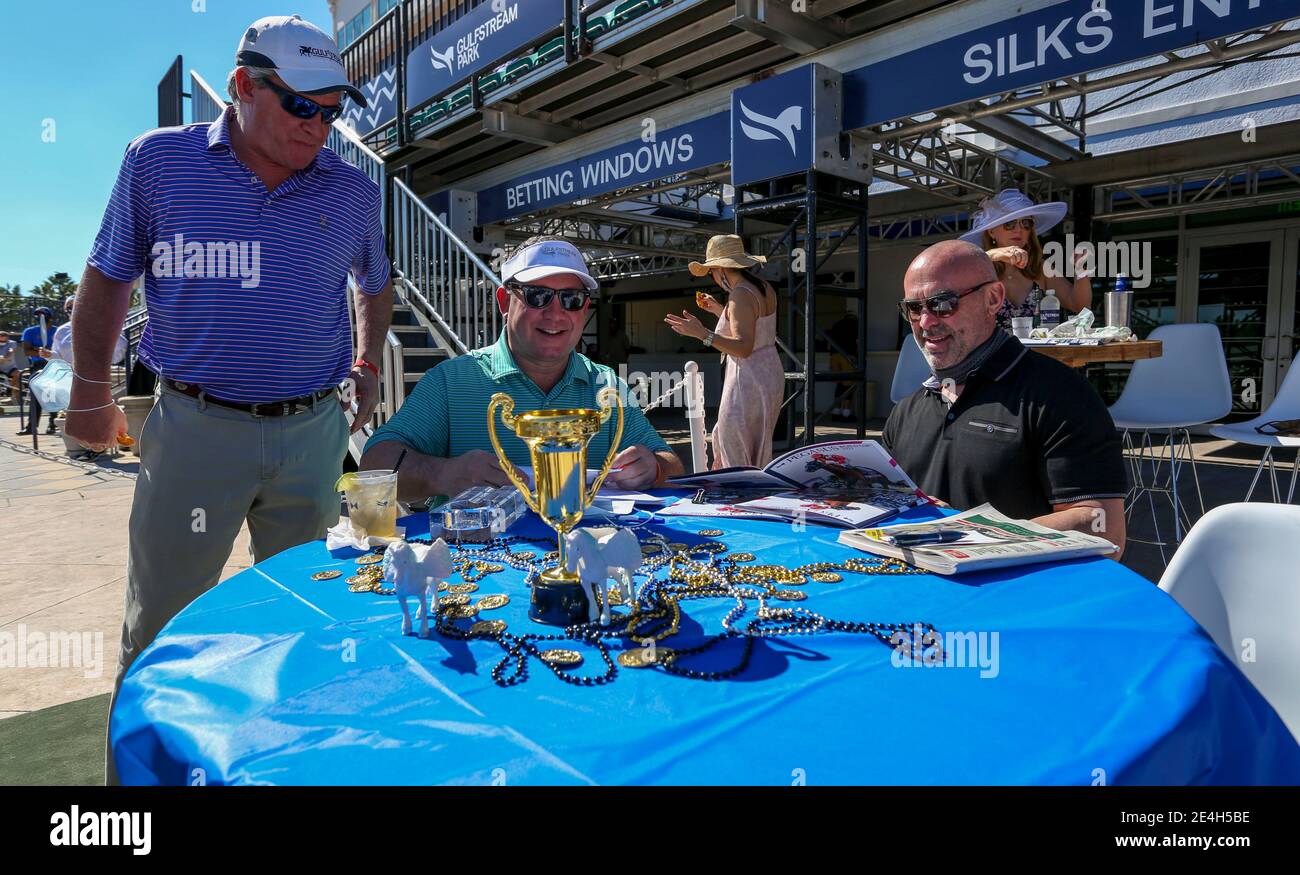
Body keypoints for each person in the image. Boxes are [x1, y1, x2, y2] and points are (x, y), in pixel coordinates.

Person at [63, 15, 393, 785]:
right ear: (243, 87)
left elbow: (375, 283)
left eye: (333, 109)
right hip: (193, 430)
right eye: (301, 106)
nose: (320, 126)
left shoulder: (353, 191)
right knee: (161, 632)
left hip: (312, 433)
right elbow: (109, 277)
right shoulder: (155, 163)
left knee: (303, 626)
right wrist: (86, 394)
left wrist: (367, 359)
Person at [360, 236, 682, 498]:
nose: (555, 314)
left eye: (571, 298)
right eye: (537, 296)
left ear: (584, 309)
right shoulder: (450, 382)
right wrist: (442, 474)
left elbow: (673, 466)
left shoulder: (607, 385)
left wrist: (652, 468)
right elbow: (374, 463)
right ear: (504, 302)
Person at [882, 240, 1127, 555]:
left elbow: (1104, 530)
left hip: (1021, 597)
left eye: (943, 303)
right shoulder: (908, 410)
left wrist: (962, 538)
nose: (926, 322)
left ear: (993, 298)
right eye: (914, 308)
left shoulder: (1057, 395)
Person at [665, 234, 784, 469]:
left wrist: (702, 333)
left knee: (734, 442)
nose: (713, 277)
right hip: (769, 373)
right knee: (756, 443)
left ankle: (738, 497)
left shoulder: (740, 294)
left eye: (712, 271)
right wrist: (721, 310)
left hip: (747, 378)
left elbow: (743, 347)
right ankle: (754, 494)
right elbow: (754, 329)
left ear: (721, 269)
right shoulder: (763, 287)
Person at [960, 188, 1091, 330]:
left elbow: (1079, 306)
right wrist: (992, 255)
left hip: (1034, 352)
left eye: (1026, 223)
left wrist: (1081, 272)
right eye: (1009, 223)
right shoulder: (978, 268)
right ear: (991, 231)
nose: (1019, 229)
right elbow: (952, 269)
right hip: (990, 352)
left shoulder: (1039, 268)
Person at [51, 294, 128, 367]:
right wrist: (48, 355)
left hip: (95, 374)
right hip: (69, 376)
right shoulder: (61, 330)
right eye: (69, 307)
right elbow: (58, 357)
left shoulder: (100, 325)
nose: (73, 309)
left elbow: (121, 348)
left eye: (76, 305)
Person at [17, 306, 58, 436]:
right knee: (36, 395)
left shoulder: (58, 331)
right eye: (38, 316)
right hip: (38, 365)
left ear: (50, 317)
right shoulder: (29, 331)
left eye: (43, 315)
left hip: (54, 364)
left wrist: (41, 350)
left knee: (52, 394)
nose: (40, 318)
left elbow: (58, 350)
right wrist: (41, 351)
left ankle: (53, 424)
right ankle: (31, 426)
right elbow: (27, 350)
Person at [0, 331, 21, 404]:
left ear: (7, 338)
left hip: (9, 367)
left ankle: (12, 396)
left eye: (3, 339)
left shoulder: (12, 343)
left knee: (17, 375)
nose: (2, 341)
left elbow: (11, 351)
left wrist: (4, 358)